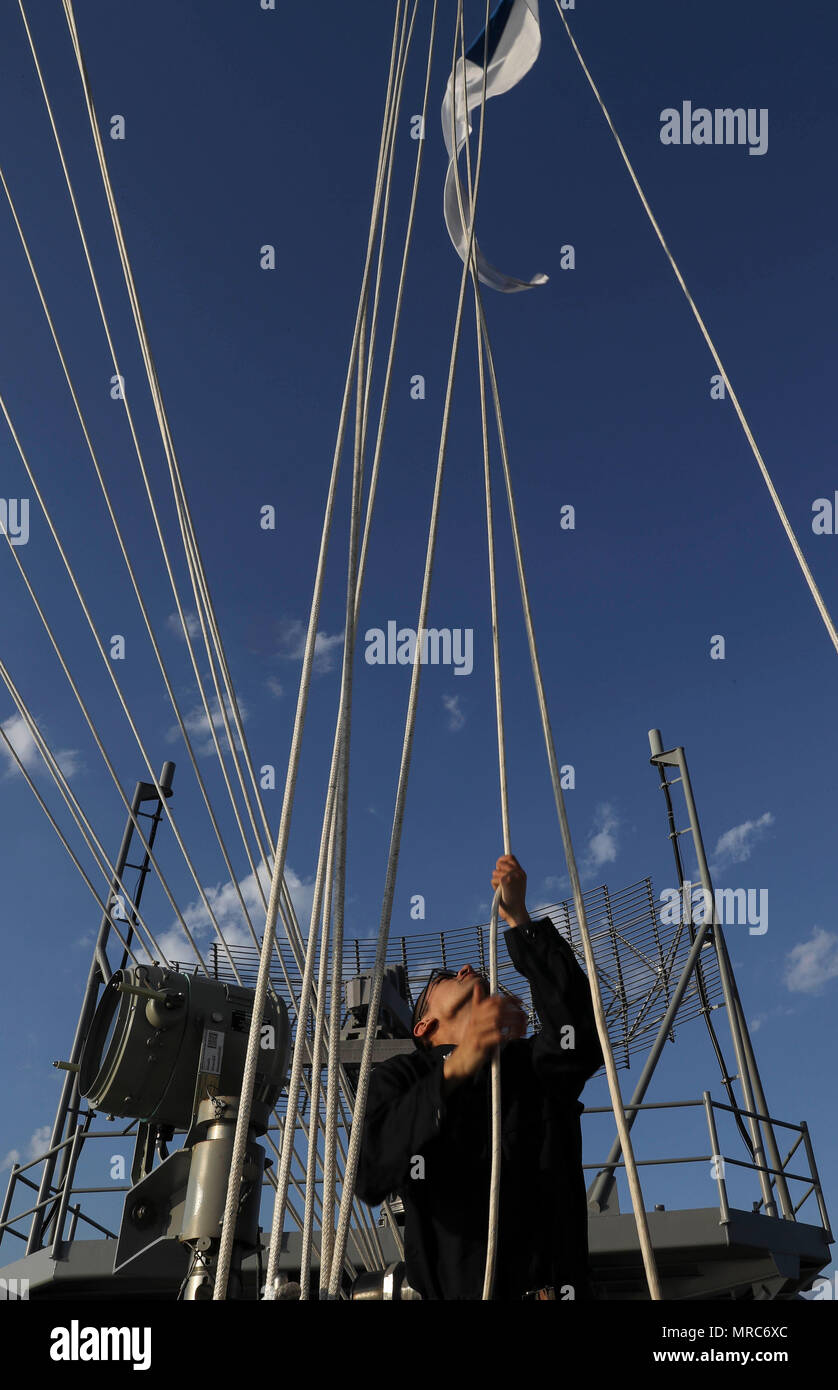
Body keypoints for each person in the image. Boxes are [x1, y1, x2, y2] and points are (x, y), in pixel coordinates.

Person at [355, 854, 604, 1300]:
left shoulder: (530, 1066)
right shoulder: (403, 1076)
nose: (468, 968)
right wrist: (456, 1067)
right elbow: (370, 1171)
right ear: (424, 1027)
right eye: (448, 976)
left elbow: (579, 1034)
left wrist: (521, 918)